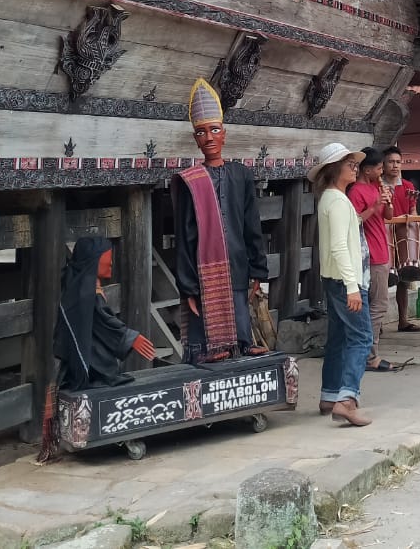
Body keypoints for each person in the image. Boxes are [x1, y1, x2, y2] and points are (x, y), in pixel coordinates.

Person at [172, 78, 269, 362]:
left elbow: (252, 225)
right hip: (203, 267)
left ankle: (243, 342)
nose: (209, 138)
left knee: (240, 312)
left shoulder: (241, 175)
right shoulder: (190, 181)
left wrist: (258, 270)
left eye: (214, 130)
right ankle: (208, 352)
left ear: (224, 134)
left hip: (237, 261)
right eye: (201, 132)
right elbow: (185, 235)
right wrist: (187, 285)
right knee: (204, 324)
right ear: (195, 139)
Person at [311, 142, 374, 426]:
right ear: (335, 169)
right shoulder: (336, 201)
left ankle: (329, 394)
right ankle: (347, 399)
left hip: (335, 278)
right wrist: (352, 286)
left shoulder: (332, 198)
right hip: (344, 279)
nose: (355, 168)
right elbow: (338, 246)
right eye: (350, 164)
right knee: (361, 338)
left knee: (338, 337)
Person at [54, 237, 156, 390]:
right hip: (90, 356)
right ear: (94, 261)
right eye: (107, 258)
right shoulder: (86, 293)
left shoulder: (77, 285)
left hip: (86, 348)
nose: (111, 263)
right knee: (104, 363)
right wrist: (129, 338)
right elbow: (103, 321)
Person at [347, 147, 401, 372]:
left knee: (376, 305)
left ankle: (367, 352)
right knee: (378, 305)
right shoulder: (356, 192)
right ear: (367, 170)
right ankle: (370, 356)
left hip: (381, 250)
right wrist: (376, 204)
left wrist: (387, 202)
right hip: (371, 254)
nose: (382, 172)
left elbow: (388, 216)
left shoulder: (374, 187)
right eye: (379, 168)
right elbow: (354, 221)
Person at [381, 146, 420, 333]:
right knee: (381, 281)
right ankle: (377, 323)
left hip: (404, 235)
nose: (395, 165)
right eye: (391, 162)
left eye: (398, 162)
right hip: (384, 235)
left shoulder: (408, 186)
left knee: (403, 281)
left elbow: (413, 209)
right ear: (383, 164)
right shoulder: (378, 186)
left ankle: (403, 321)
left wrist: (413, 221)